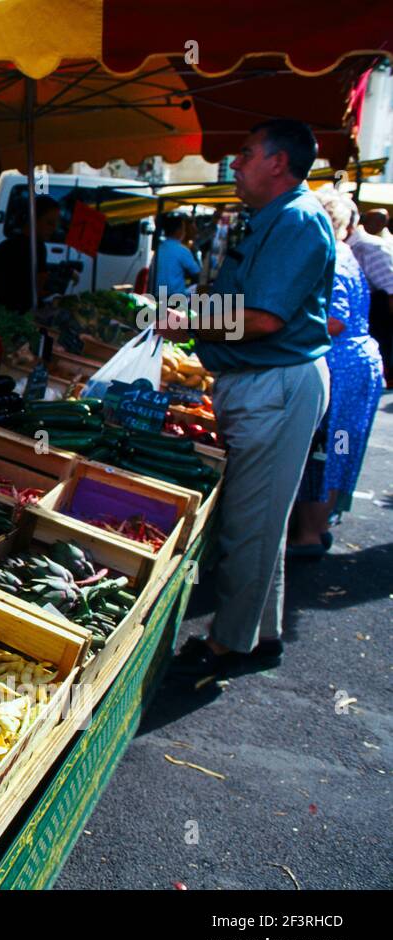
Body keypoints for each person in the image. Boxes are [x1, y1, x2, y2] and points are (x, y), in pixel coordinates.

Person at [160, 119, 334, 673]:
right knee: (260, 520)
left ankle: (226, 646)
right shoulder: (275, 219)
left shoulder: (298, 220)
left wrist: (190, 319)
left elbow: (262, 317)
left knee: (249, 522)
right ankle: (259, 634)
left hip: (276, 385)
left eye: (245, 152)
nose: (234, 164)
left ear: (278, 162)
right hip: (265, 383)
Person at [288, 189, 385, 556]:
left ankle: (309, 533)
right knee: (341, 445)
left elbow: (335, 320)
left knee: (328, 448)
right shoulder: (344, 254)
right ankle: (321, 524)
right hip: (356, 367)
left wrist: (287, 324)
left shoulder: (331, 258)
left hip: (343, 370)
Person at [0, 194, 61, 313]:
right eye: (50, 223)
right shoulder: (38, 248)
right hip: (23, 316)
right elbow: (38, 290)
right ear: (34, 220)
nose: (54, 228)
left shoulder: (3, 246)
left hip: (1, 313)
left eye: (56, 223)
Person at [352, 207, 393, 386]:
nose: (377, 225)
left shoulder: (371, 246)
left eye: (380, 221)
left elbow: (391, 289)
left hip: (377, 319)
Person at [152, 212, 201, 300]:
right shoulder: (182, 250)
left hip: (157, 295)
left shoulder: (159, 248)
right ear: (179, 231)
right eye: (184, 229)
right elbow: (196, 272)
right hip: (174, 297)